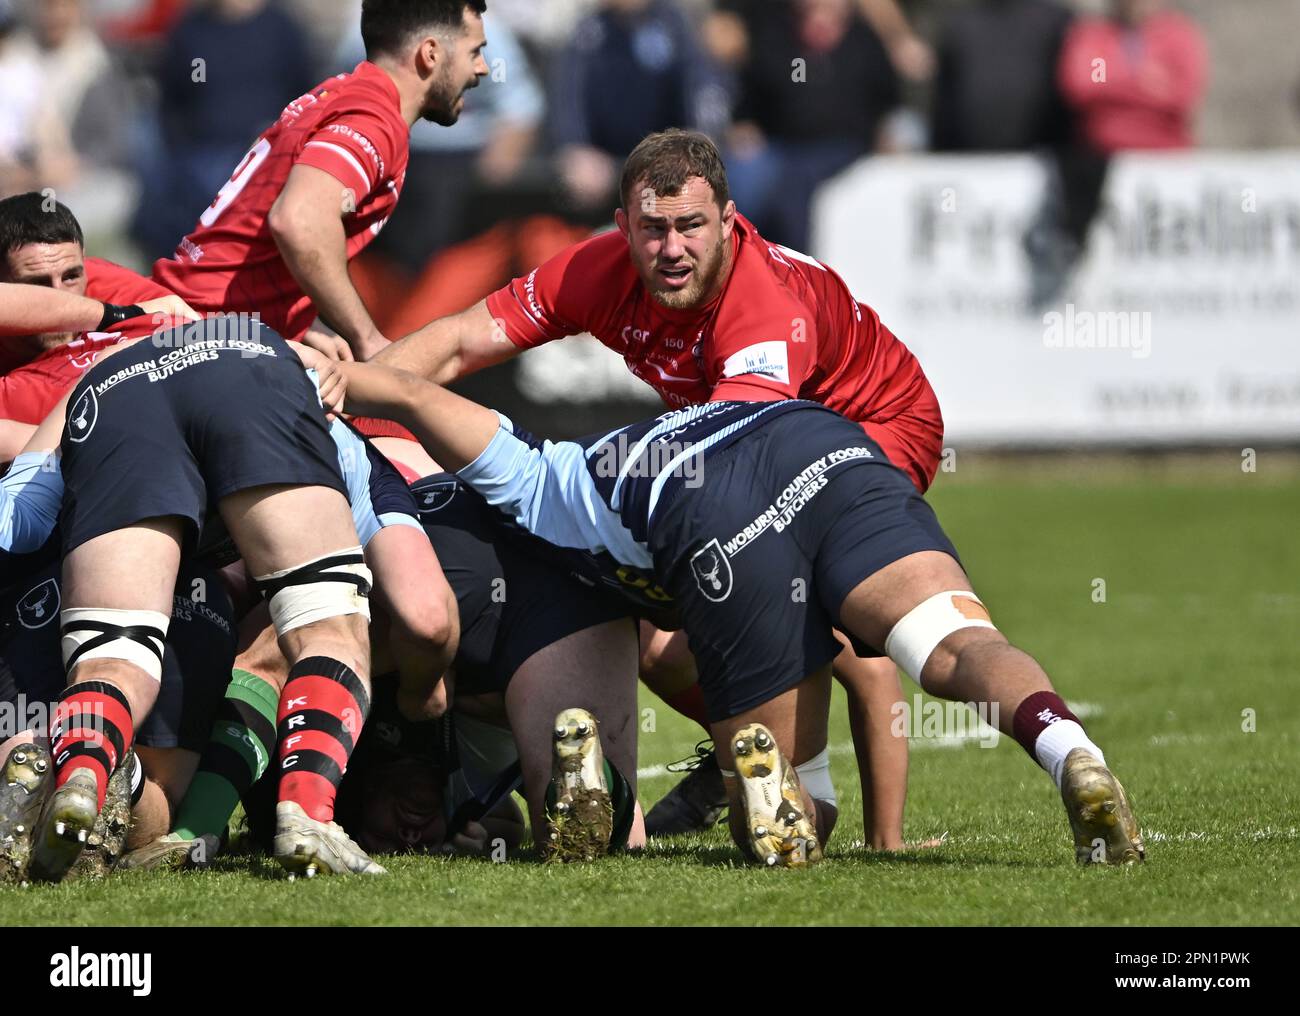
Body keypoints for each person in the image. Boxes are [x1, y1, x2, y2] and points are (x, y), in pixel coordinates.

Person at [336, 361, 1146, 869]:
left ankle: (775, 790)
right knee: (952, 646)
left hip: (705, 510)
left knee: (795, 804)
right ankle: (1068, 747)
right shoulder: (584, 450)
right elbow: (411, 394)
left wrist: (329, 387)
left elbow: (414, 398)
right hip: (819, 438)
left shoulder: (547, 484)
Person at [377, 128, 942, 849]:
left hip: (874, 422)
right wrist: (348, 395)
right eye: (652, 229)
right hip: (738, 433)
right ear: (624, 228)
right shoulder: (596, 271)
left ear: (728, 223)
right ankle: (738, 750)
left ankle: (884, 840)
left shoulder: (760, 307)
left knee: (832, 614)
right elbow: (460, 339)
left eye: (689, 228)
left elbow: (744, 460)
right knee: (650, 629)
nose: (670, 248)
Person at [19, 318, 389, 882]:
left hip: (112, 391)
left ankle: (84, 772)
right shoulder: (297, 379)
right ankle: (307, 815)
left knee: (112, 655)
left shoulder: (110, 361)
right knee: (327, 625)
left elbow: (16, 517)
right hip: (250, 363)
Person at [152, 0, 490, 360]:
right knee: (394, 410)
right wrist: (368, 338)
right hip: (209, 340)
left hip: (198, 323)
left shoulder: (336, 93)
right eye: (475, 52)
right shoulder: (373, 120)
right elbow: (298, 220)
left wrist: (296, 327)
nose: (482, 69)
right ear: (431, 54)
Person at [0, 193, 197, 460]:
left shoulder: (107, 282)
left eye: (71, 276)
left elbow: (199, 345)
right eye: (37, 284)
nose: (61, 296)